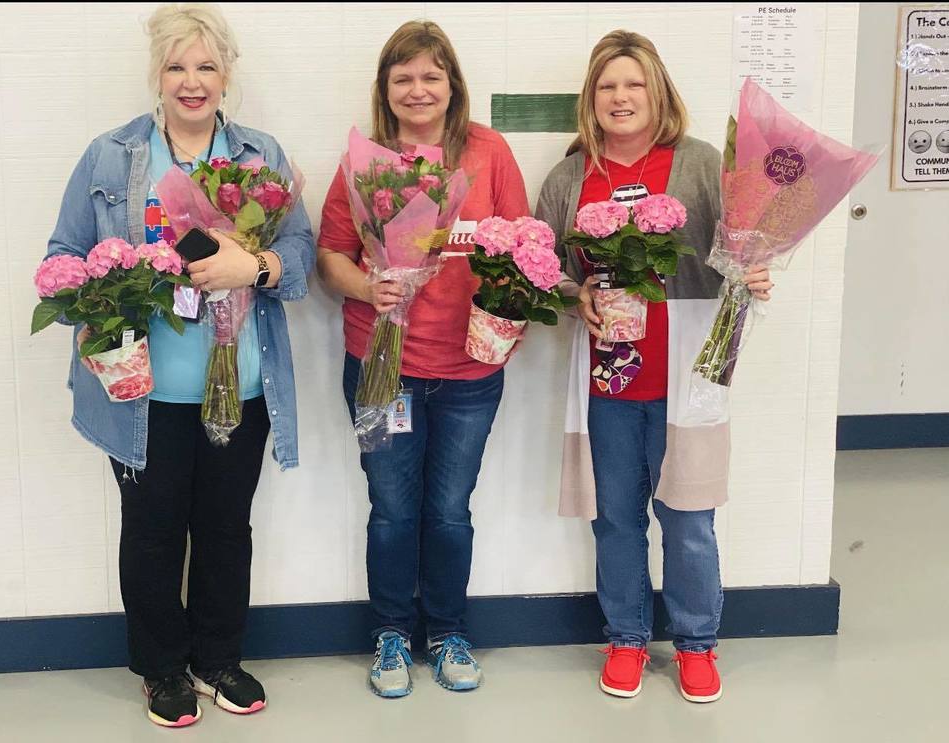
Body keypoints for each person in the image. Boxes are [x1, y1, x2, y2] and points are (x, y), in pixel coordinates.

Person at [42, 2, 314, 727]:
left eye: (206, 66)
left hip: (242, 385)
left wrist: (249, 264)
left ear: (228, 74)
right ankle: (163, 665)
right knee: (154, 529)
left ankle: (216, 658)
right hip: (143, 394)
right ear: (156, 75)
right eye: (176, 66)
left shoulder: (264, 158)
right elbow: (62, 259)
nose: (191, 82)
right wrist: (95, 313)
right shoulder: (111, 156)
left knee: (227, 527)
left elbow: (300, 260)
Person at [535, 30, 773, 704]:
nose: (621, 96)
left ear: (658, 91)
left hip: (690, 377)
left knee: (689, 516)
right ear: (592, 98)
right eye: (607, 85)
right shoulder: (571, 174)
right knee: (615, 517)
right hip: (609, 381)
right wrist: (570, 292)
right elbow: (538, 258)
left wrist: (754, 267)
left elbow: (743, 241)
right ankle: (627, 637)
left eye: (634, 83)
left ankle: (697, 643)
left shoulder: (700, 164)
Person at [317, 20, 529, 698]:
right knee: (391, 507)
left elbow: (525, 249)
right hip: (382, 369)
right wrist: (364, 285)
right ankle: (388, 634)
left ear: (452, 84)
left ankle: (448, 632)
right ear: (385, 88)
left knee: (449, 510)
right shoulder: (364, 159)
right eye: (403, 77)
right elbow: (328, 258)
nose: (418, 89)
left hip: (469, 373)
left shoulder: (488, 154)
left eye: (430, 76)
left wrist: (512, 312)